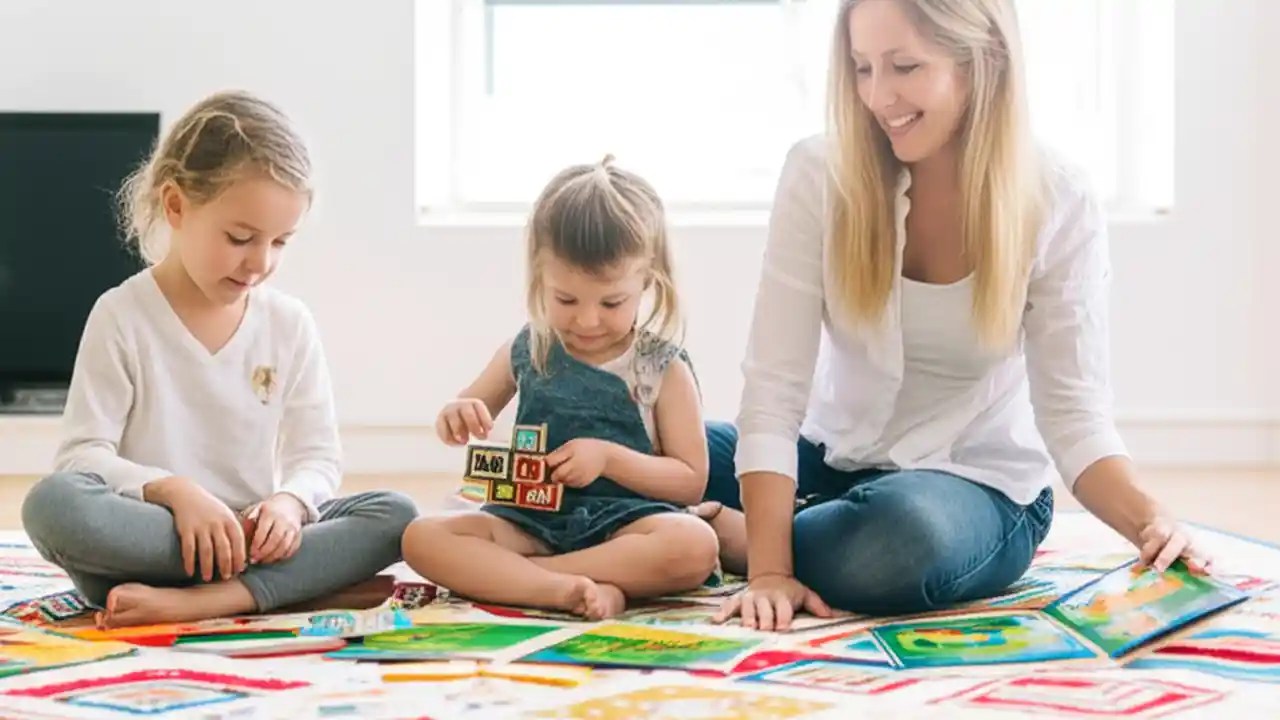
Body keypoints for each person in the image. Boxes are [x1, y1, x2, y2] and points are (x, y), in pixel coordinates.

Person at [700, 0, 1211, 631]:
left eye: (905, 66)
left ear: (982, 61)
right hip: (830, 458)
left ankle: (719, 535)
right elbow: (775, 390)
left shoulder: (1056, 197)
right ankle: (763, 529)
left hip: (970, 492)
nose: (878, 96)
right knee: (638, 443)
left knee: (901, 540)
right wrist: (773, 577)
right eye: (862, 68)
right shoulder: (818, 173)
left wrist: (1152, 521)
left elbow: (1073, 416)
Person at [20, 90, 419, 628]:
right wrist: (176, 492)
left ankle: (213, 598)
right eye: (240, 238)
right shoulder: (121, 315)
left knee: (397, 515)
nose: (260, 262)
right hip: (156, 535)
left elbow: (317, 458)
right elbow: (82, 456)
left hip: (250, 536)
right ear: (177, 206)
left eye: (280, 242)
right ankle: (290, 586)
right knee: (53, 506)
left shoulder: (288, 323)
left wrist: (287, 505)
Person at [401, 157, 718, 621]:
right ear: (539, 278)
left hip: (627, 526)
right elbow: (468, 408)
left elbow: (691, 480)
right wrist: (458, 413)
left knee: (694, 545)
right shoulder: (529, 348)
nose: (587, 320)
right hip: (529, 521)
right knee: (421, 537)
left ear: (647, 282)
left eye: (612, 302)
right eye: (565, 299)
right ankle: (564, 588)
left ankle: (531, 577)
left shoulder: (662, 368)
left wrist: (608, 458)